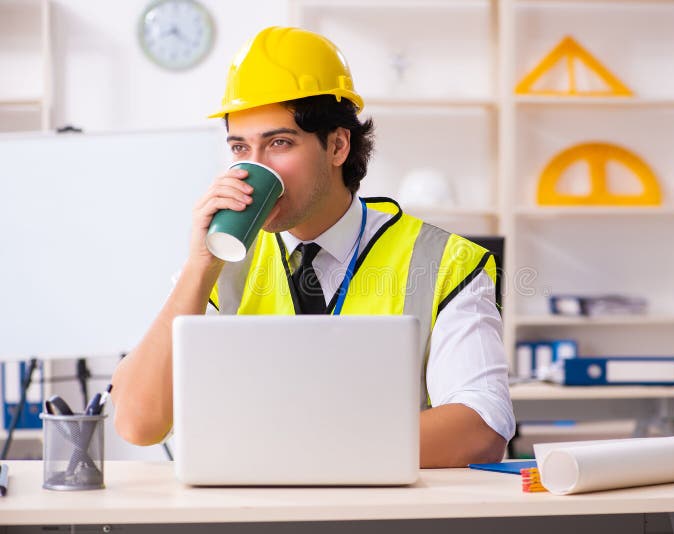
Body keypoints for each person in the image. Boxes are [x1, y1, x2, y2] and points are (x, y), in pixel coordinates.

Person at [111, 26, 514, 468]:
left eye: (279, 143)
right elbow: (138, 423)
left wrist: (291, 452)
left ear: (338, 145)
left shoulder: (445, 261)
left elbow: (482, 429)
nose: (255, 168)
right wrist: (199, 265)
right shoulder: (218, 263)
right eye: (241, 148)